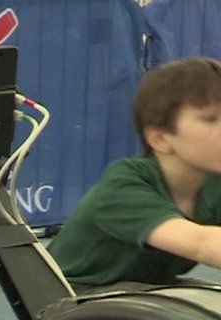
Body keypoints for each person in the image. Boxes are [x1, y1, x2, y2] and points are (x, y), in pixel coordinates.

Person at [48, 57, 221, 294]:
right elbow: (202, 244)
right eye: (210, 119)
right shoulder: (123, 183)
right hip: (72, 301)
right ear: (159, 139)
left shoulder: (214, 181)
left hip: (147, 291)